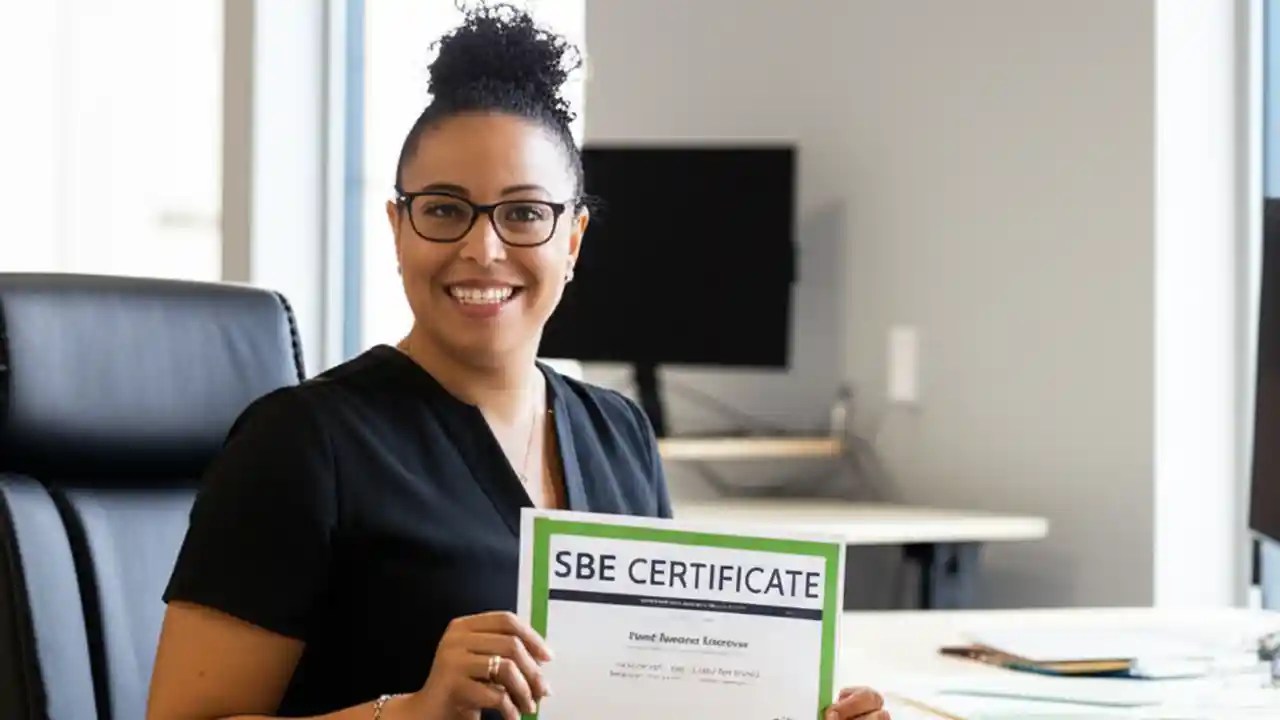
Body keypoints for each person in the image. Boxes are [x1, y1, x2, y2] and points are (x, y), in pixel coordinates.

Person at [146, 5, 889, 720]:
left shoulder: (619, 435)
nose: (483, 249)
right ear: (398, 228)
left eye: (525, 213)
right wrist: (412, 713)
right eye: (443, 208)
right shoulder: (300, 443)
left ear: (573, 240)